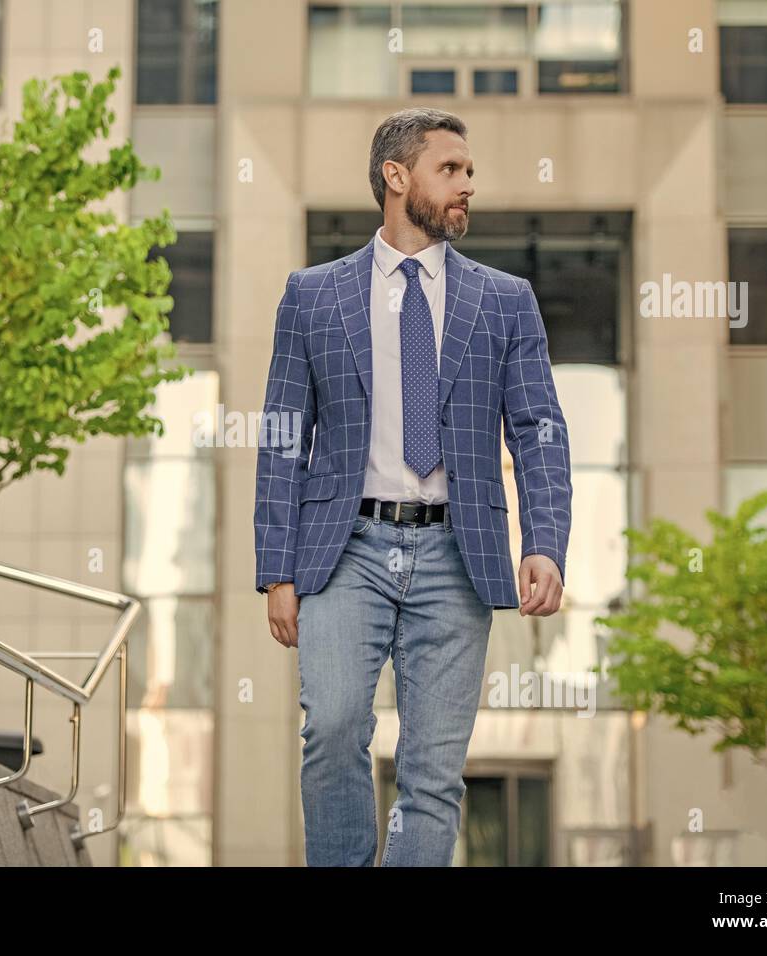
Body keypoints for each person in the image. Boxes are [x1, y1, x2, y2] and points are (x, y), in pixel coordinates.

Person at [253, 107, 573, 867]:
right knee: (330, 729)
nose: (467, 186)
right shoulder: (312, 296)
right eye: (450, 170)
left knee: (433, 773)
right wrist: (277, 569)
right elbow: (281, 436)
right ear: (397, 178)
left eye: (469, 172)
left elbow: (538, 429)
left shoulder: (505, 300)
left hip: (458, 554)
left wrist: (546, 543)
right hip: (346, 549)